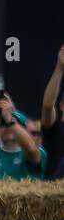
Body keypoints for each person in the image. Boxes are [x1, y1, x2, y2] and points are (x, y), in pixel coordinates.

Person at [40, 43, 64, 180]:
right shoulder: (55, 128)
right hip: (54, 196)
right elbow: (48, 105)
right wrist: (60, 67)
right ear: (62, 106)